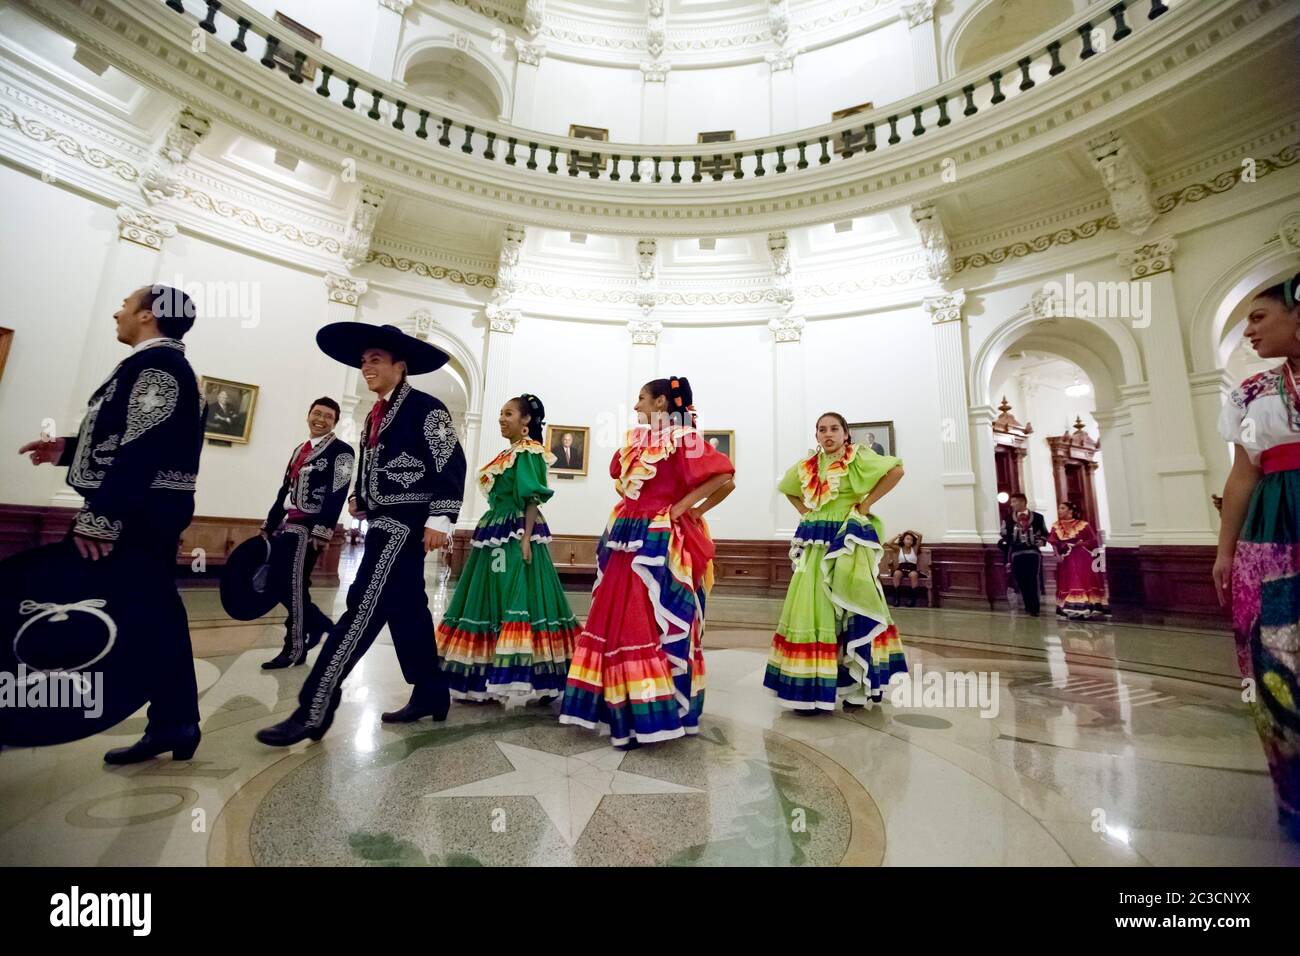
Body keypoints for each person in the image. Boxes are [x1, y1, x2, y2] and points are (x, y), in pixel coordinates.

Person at [18, 285, 205, 763]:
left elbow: (143, 447)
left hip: (138, 513)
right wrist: (66, 448)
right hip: (142, 508)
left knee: (116, 605)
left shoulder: (158, 367)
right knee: (157, 611)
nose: (117, 312)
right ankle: (176, 721)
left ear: (148, 316)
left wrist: (102, 518)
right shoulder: (151, 363)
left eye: (126, 304)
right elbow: (122, 435)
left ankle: (30, 704)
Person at [256, 324, 467, 747]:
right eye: (364, 360)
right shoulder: (377, 413)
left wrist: (440, 520)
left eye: (375, 359)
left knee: (360, 610)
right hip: (380, 522)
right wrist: (362, 499)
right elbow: (374, 468)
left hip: (403, 528)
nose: (366, 366)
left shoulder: (428, 409)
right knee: (407, 610)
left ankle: (313, 708)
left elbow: (450, 463)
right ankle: (431, 691)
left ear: (399, 366)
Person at [559, 376, 735, 747]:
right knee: (616, 617)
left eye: (641, 399)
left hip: (659, 538)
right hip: (627, 533)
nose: (636, 406)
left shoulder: (682, 437)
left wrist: (685, 508)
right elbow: (623, 481)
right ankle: (621, 705)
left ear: (660, 404)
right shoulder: (637, 441)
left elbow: (724, 476)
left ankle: (651, 711)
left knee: (647, 618)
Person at [1213, 270, 1300, 840]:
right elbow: (1243, 475)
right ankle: (1294, 791)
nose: (1248, 329)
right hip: (1272, 527)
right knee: (1278, 657)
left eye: (1259, 316)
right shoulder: (1251, 392)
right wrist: (1225, 550)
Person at [437, 393, 581, 703]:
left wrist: (526, 538)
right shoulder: (510, 453)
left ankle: (540, 678)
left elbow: (531, 498)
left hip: (515, 531)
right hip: (495, 529)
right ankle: (485, 677)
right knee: (491, 597)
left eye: (509, 414)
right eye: (501, 413)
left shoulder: (528, 452)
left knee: (520, 596)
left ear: (526, 420)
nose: (502, 419)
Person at [764, 413, 907, 713]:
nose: (827, 434)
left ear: (845, 433)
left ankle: (858, 684)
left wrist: (866, 505)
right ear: (816, 435)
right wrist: (806, 511)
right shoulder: (808, 466)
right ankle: (813, 687)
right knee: (813, 608)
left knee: (854, 605)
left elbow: (896, 471)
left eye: (834, 429)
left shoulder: (857, 457)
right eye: (821, 430)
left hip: (847, 539)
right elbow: (787, 488)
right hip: (815, 541)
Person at [257, 397, 354, 669]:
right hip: (288, 526)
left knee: (294, 587)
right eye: (317, 413)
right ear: (308, 414)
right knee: (279, 584)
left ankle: (294, 648)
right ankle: (320, 624)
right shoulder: (300, 449)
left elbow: (338, 493)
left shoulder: (342, 451)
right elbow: (284, 490)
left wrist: (323, 530)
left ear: (335, 422)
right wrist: (269, 523)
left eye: (328, 416)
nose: (321, 419)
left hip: (309, 530)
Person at [1048, 500, 1109, 619]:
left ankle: (1087, 606)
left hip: (1082, 557)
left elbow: (1093, 541)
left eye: (1062, 508)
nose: (1060, 510)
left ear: (1070, 511)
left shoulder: (1083, 524)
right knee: (1068, 580)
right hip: (1066, 558)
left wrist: (1082, 543)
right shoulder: (1056, 526)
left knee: (1083, 580)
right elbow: (1054, 542)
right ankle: (1068, 607)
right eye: (1059, 508)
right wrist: (1057, 555)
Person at [998, 492, 1048, 616]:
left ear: (1022, 502)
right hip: (1016, 553)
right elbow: (1004, 534)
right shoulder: (1008, 518)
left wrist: (1041, 541)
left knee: (1033, 579)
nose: (1012, 504)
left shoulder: (1037, 517)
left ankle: (1035, 608)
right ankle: (1027, 605)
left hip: (1032, 553)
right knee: (1021, 579)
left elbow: (1045, 533)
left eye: (1014, 501)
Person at [889, 530, 926, 607]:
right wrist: (897, 536)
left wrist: (910, 531)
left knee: (913, 575)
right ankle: (896, 599)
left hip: (912, 568)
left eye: (911, 540)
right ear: (903, 540)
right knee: (896, 573)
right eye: (907, 539)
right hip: (902, 567)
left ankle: (912, 599)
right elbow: (889, 543)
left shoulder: (914, 548)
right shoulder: (899, 549)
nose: (909, 541)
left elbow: (920, 535)